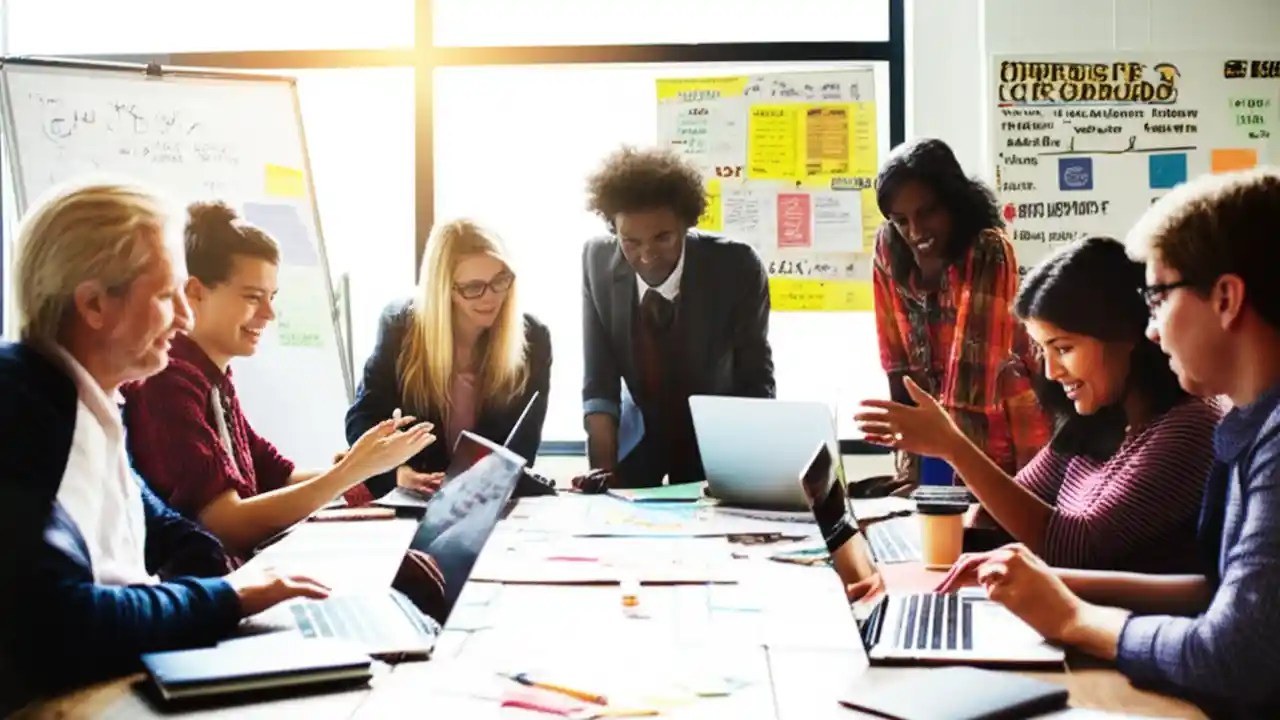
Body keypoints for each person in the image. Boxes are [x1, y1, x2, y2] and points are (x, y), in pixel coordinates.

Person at [937, 169, 1280, 716]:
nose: (1150, 330)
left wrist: (1075, 618)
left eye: (1159, 299)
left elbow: (1235, 654)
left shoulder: (1259, 440)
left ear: (1225, 298)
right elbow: (1215, 592)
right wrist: (1049, 586)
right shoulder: (1252, 426)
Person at [0, 182, 329, 711]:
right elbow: (55, 623)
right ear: (93, 305)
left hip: (121, 674)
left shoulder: (94, 405)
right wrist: (224, 598)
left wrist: (213, 592)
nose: (184, 315)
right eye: (165, 295)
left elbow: (176, 535)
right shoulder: (22, 408)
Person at [856, 237, 1220, 572]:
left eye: (1063, 349)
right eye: (1040, 350)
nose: (1051, 371)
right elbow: (1003, 511)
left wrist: (952, 446)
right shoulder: (1098, 420)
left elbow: (1074, 548)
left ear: (1126, 335)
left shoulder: (1189, 428)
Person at [123, 202, 435, 560]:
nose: (269, 314)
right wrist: (353, 470)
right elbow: (227, 525)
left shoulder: (213, 378)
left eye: (271, 298)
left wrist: (380, 474)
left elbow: (277, 476)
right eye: (253, 297)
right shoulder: (168, 382)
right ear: (195, 291)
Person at [577, 145, 775, 490]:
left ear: (686, 223)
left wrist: (748, 476)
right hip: (636, 440)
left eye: (663, 237)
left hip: (716, 440)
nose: (647, 254)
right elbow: (599, 381)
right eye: (630, 241)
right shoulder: (596, 261)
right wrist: (602, 477)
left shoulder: (736, 267)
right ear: (614, 230)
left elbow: (755, 380)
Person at [871, 138, 1051, 493]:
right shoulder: (888, 247)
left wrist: (947, 491)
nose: (916, 232)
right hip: (939, 444)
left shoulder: (987, 248)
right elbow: (898, 368)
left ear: (954, 202)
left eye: (927, 213)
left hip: (1005, 438)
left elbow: (972, 386)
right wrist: (912, 471)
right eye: (902, 220)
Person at [346, 218, 551, 499]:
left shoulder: (533, 340)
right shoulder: (401, 328)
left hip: (484, 502)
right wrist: (396, 473)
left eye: (500, 280)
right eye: (473, 287)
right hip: (413, 495)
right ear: (444, 289)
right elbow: (363, 419)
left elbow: (523, 445)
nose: (490, 297)